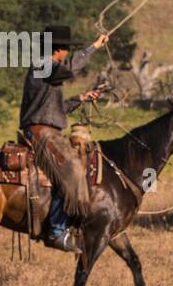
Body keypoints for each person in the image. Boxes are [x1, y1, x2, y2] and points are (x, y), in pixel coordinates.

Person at [20, 25, 109, 251]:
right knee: (74, 171)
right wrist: (94, 47)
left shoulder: (46, 71)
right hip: (42, 133)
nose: (67, 53)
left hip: (47, 130)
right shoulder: (43, 65)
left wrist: (81, 97)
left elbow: (56, 109)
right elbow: (70, 69)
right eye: (67, 49)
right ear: (59, 49)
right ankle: (58, 231)